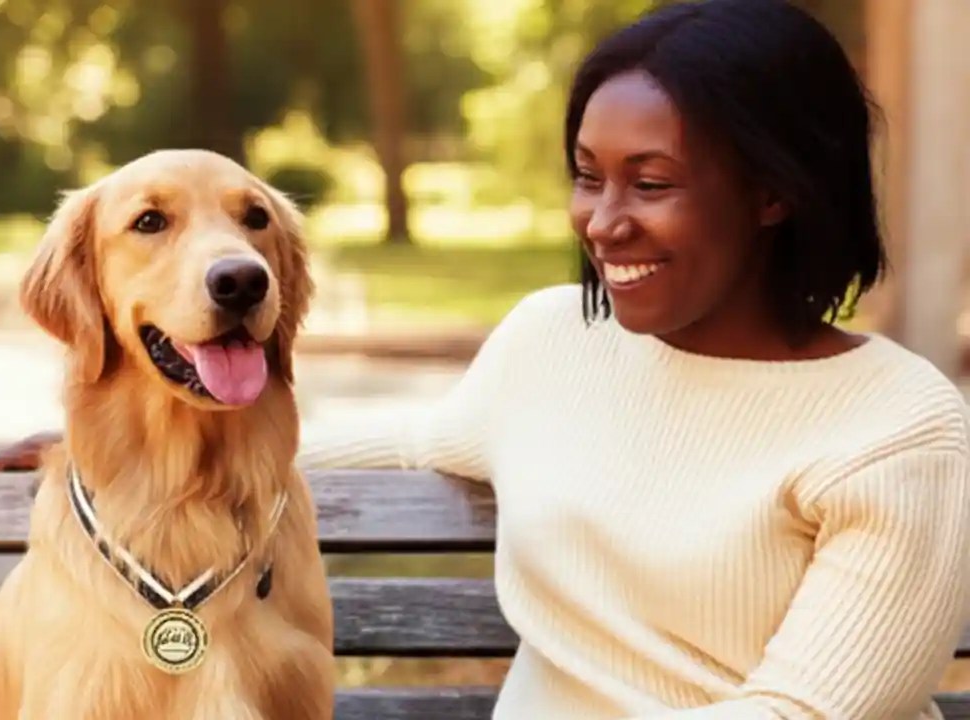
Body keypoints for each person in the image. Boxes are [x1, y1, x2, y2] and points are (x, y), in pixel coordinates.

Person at [297, 1, 970, 718]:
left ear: (774, 190)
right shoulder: (553, 341)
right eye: (589, 177)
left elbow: (797, 713)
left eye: (650, 184)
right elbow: (413, 445)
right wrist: (174, 453)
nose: (604, 222)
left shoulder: (896, 429)